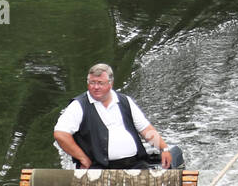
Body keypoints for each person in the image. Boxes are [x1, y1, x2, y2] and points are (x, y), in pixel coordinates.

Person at [53, 63, 183, 170]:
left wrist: (163, 148)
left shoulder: (125, 101)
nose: (95, 87)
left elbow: (145, 130)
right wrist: (82, 158)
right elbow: (60, 134)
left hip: (134, 164)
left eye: (100, 83)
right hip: (99, 168)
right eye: (92, 83)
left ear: (110, 83)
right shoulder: (78, 106)